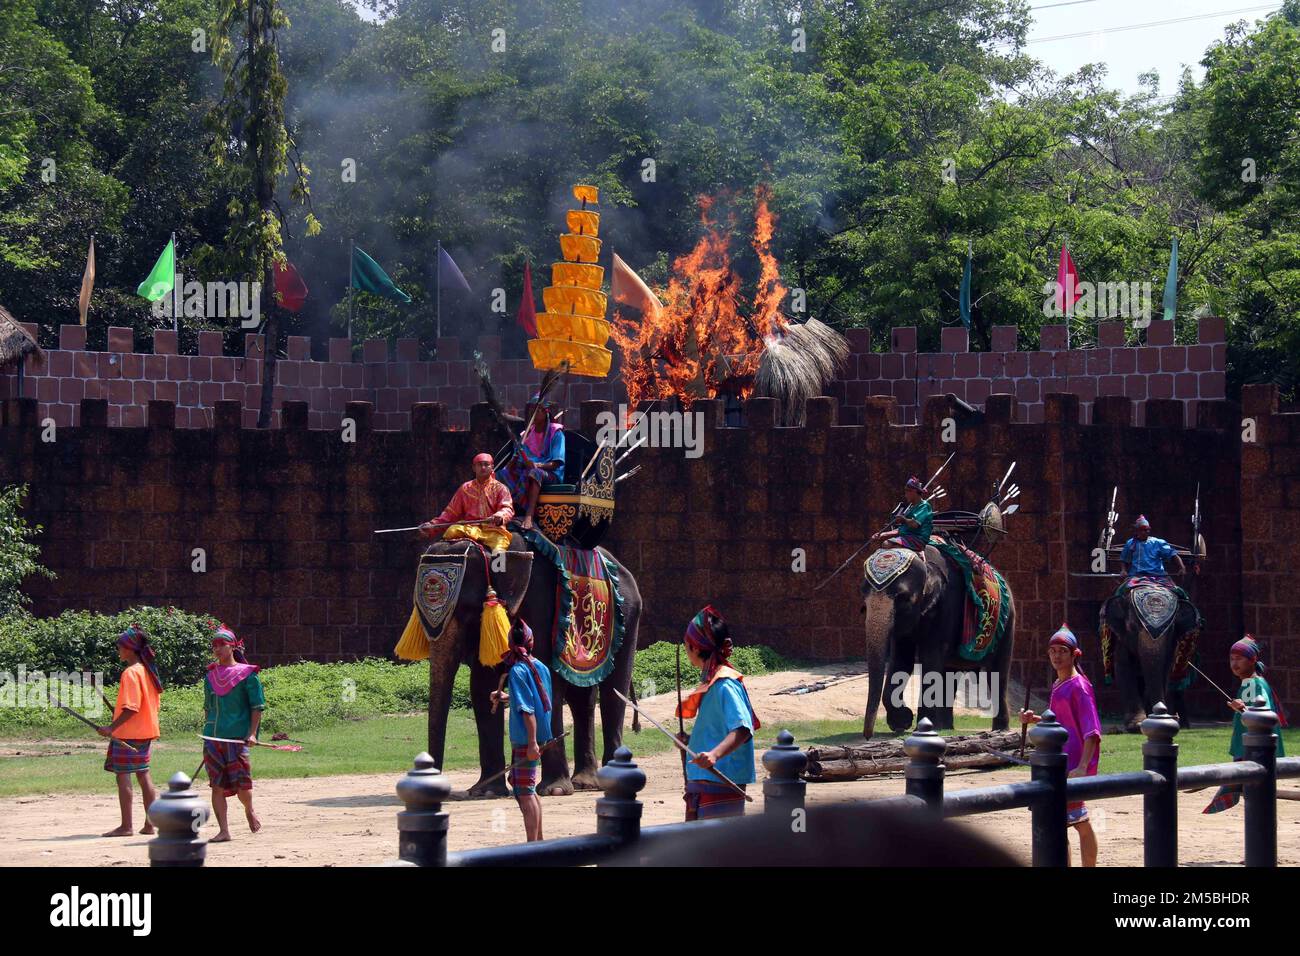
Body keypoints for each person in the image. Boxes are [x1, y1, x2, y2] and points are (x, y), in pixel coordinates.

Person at [1021, 623, 1101, 867]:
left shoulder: (1080, 686)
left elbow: (1093, 731)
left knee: (1077, 822)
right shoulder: (1059, 685)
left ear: (1074, 655)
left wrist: (1083, 766)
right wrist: (1033, 719)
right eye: (1053, 651)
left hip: (1075, 761)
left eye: (1062, 651)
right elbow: (1058, 722)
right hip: (1059, 760)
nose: (1057, 655)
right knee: (1064, 821)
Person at [676, 606, 761, 821]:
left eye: (687, 646)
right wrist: (690, 742)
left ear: (696, 648)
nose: (687, 650)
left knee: (716, 850)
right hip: (704, 781)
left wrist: (714, 755)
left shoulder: (725, 684)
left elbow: (742, 729)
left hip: (720, 781)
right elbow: (716, 729)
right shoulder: (712, 683)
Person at [1204, 635, 1288, 813]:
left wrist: (1243, 707)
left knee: (1249, 783)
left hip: (1253, 746)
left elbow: (1262, 711)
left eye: (1239, 659)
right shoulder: (1249, 682)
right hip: (1251, 744)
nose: (1234, 663)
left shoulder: (1252, 683)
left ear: (1252, 660)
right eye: (1232, 659)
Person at [489, 619, 554, 841]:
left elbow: (528, 710)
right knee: (525, 787)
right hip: (537, 737)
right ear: (531, 642)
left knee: (524, 793)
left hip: (528, 738)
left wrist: (532, 743)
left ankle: (532, 846)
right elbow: (534, 700)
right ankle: (539, 842)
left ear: (510, 643)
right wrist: (507, 697)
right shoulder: (540, 667)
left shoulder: (517, 670)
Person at [98, 625, 163, 837]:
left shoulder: (130, 673)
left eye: (120, 646)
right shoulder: (147, 671)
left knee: (123, 776)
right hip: (146, 731)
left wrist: (111, 728)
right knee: (144, 775)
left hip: (128, 733)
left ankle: (126, 826)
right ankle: (150, 824)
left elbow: (131, 708)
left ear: (129, 648)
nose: (118, 649)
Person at [202, 625, 266, 842]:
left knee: (242, 786)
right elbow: (207, 708)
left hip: (237, 739)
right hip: (212, 738)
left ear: (233, 647)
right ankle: (224, 830)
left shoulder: (248, 675)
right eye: (214, 646)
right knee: (216, 785)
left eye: (222, 644)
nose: (218, 649)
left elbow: (256, 707)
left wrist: (252, 734)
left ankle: (249, 809)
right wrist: (208, 732)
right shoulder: (210, 675)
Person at [497, 394, 565, 532]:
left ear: (545, 412)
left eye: (538, 410)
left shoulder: (556, 433)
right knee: (501, 475)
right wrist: (505, 470)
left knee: (534, 473)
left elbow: (557, 463)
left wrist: (537, 465)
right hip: (526, 470)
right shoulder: (525, 435)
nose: (534, 414)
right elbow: (515, 460)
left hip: (550, 474)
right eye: (531, 411)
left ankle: (529, 515)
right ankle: (503, 511)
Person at [421, 452, 514, 551]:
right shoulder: (465, 488)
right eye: (480, 464)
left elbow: (507, 508)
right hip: (469, 528)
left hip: (493, 531)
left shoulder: (501, 488)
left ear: (492, 467)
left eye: (486, 464)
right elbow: (450, 513)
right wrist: (433, 525)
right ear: (474, 468)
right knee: (451, 531)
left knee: (500, 546)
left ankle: (499, 567)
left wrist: (500, 516)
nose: (483, 467)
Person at [873, 477, 933, 554]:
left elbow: (914, 524)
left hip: (918, 539)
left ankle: (917, 552)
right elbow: (902, 529)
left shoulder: (924, 506)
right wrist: (882, 534)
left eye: (906, 491)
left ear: (914, 491)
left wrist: (903, 519)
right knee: (883, 546)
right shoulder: (911, 508)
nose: (905, 495)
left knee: (887, 544)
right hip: (907, 537)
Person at [1119, 515, 1185, 581]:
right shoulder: (1130, 543)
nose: (1144, 532)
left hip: (1157, 576)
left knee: (1176, 590)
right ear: (1137, 531)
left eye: (1146, 530)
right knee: (1122, 590)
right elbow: (1124, 559)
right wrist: (1123, 570)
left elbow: (1173, 554)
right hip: (1136, 576)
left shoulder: (1158, 542)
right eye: (1142, 530)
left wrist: (1182, 568)